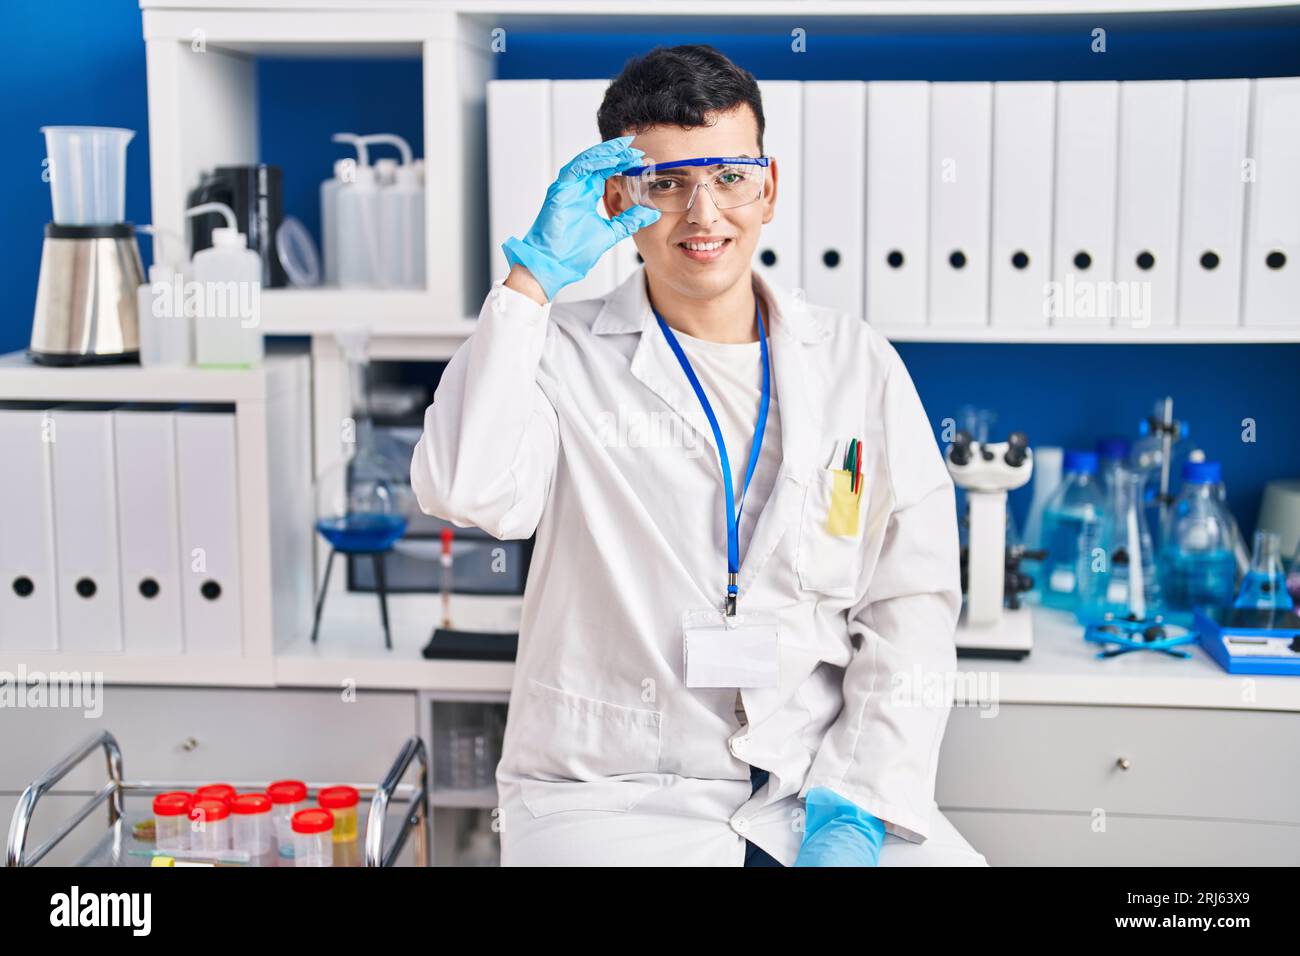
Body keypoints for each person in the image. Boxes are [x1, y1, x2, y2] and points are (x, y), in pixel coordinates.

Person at [411, 44, 986, 866]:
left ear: (770, 187)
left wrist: (856, 798)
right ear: (619, 197)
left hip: (814, 782)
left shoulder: (858, 362)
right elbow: (469, 491)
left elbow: (911, 599)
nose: (703, 213)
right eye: (666, 183)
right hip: (613, 790)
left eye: (729, 177)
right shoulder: (555, 352)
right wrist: (528, 284)